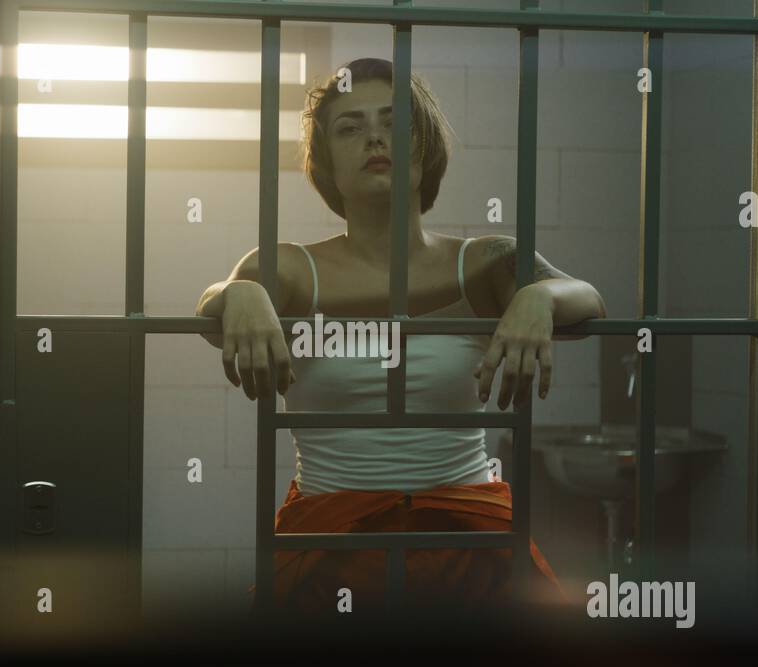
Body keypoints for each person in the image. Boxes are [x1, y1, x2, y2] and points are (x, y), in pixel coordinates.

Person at [195, 57, 607, 614]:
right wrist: (241, 294)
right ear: (326, 165)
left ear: (426, 146)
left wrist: (538, 296)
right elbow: (214, 301)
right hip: (332, 546)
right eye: (350, 127)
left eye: (395, 122)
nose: (375, 138)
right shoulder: (288, 268)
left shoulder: (484, 261)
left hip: (469, 543)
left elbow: (587, 298)